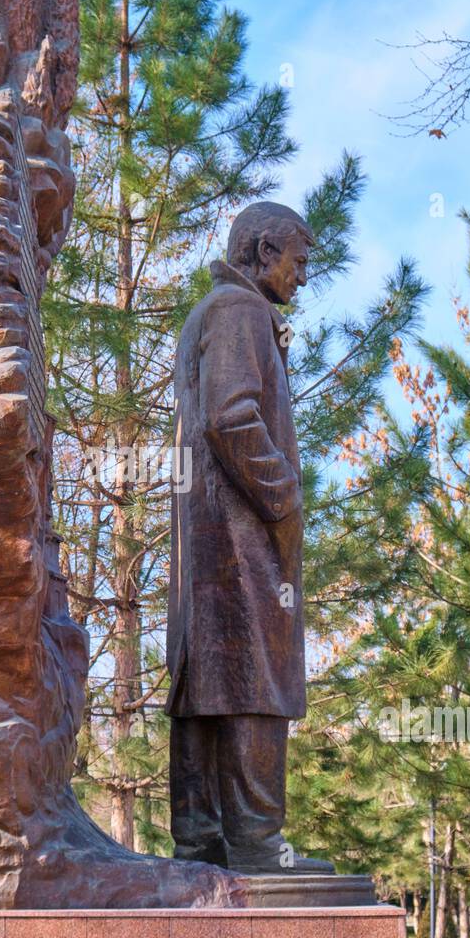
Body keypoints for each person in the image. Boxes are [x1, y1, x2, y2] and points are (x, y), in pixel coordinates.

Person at [165, 201, 314, 873]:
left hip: (210, 538)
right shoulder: (241, 311)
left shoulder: (213, 313)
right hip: (238, 534)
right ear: (262, 252)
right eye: (298, 262)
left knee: (212, 685)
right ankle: (256, 845)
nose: (301, 278)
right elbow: (232, 416)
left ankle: (203, 848)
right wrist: (284, 497)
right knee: (252, 676)